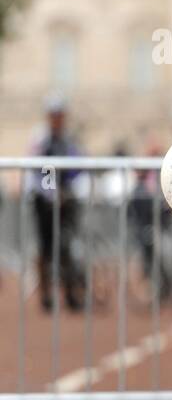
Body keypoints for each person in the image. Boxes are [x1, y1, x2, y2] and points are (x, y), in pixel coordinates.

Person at [27, 94, 86, 312]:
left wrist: (69, 189)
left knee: (67, 246)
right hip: (43, 202)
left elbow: (78, 166)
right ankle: (45, 294)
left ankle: (70, 293)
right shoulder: (40, 139)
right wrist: (50, 193)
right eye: (54, 115)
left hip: (65, 200)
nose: (57, 119)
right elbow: (36, 169)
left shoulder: (69, 139)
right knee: (45, 247)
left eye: (60, 115)